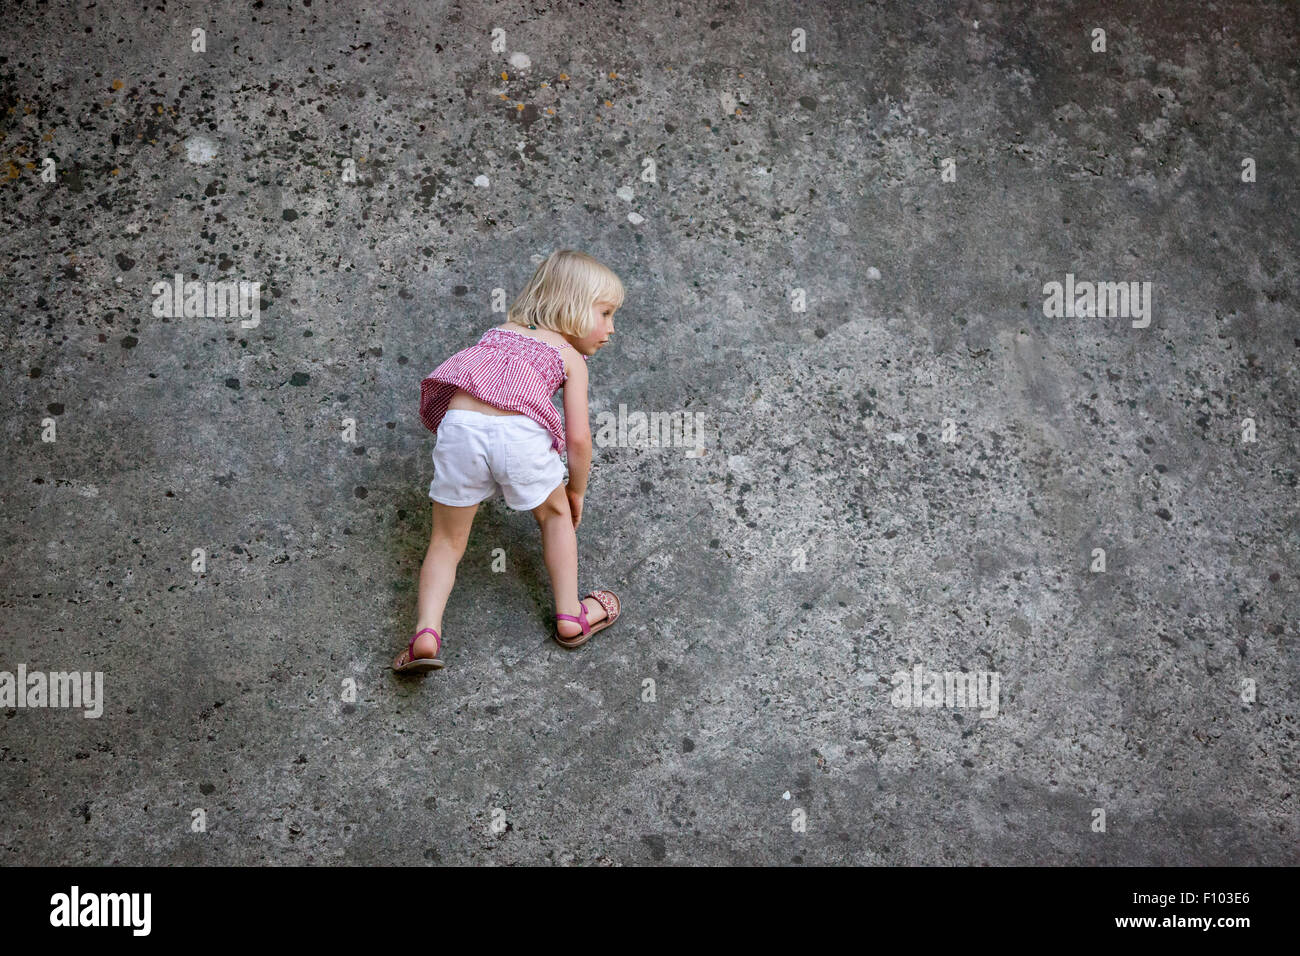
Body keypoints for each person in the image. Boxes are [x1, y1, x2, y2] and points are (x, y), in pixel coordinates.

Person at [393, 250, 623, 672]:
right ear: (571, 304)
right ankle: (570, 616)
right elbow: (578, 437)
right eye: (605, 313)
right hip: (520, 435)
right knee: (555, 518)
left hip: (460, 428)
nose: (610, 329)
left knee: (445, 541)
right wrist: (575, 490)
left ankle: (426, 632)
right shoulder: (570, 357)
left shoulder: (497, 333)